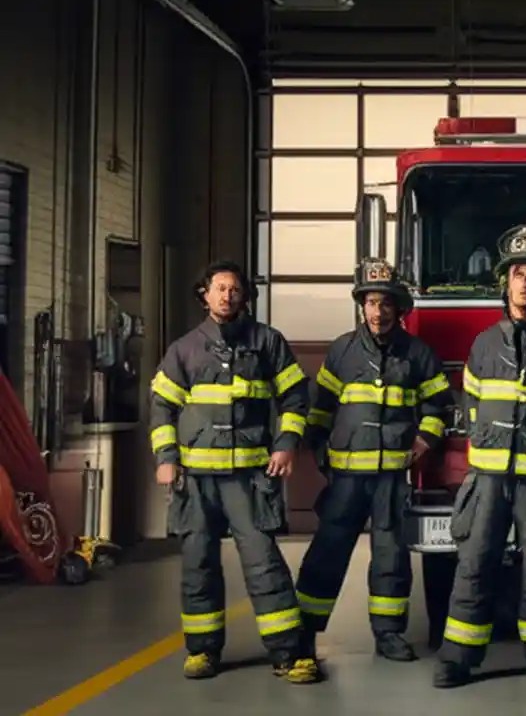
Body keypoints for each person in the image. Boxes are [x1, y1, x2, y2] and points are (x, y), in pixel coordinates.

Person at [149, 260, 317, 684]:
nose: (226, 295)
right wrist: (166, 457)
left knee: (264, 565)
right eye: (219, 288)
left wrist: (285, 444)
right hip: (196, 481)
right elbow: (161, 407)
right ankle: (202, 652)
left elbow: (296, 396)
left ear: (245, 297)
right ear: (204, 294)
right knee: (197, 565)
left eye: (234, 289)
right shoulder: (183, 350)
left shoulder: (267, 343)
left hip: (249, 479)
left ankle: (289, 654)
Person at [434, 225, 526, 688]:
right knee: (474, 564)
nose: (525, 283)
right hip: (489, 479)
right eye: (518, 274)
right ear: (505, 282)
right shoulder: (483, 343)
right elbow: (472, 406)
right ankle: (457, 658)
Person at [294, 257, 451, 664]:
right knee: (327, 552)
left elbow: (440, 406)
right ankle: (306, 631)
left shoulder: (417, 354)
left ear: (398, 308)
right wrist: (320, 455)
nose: (377, 312)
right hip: (346, 478)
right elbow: (321, 410)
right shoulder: (342, 351)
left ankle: (389, 635)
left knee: (391, 557)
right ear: (361, 307)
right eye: (370, 303)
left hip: (392, 478)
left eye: (385, 303)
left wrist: (422, 442)